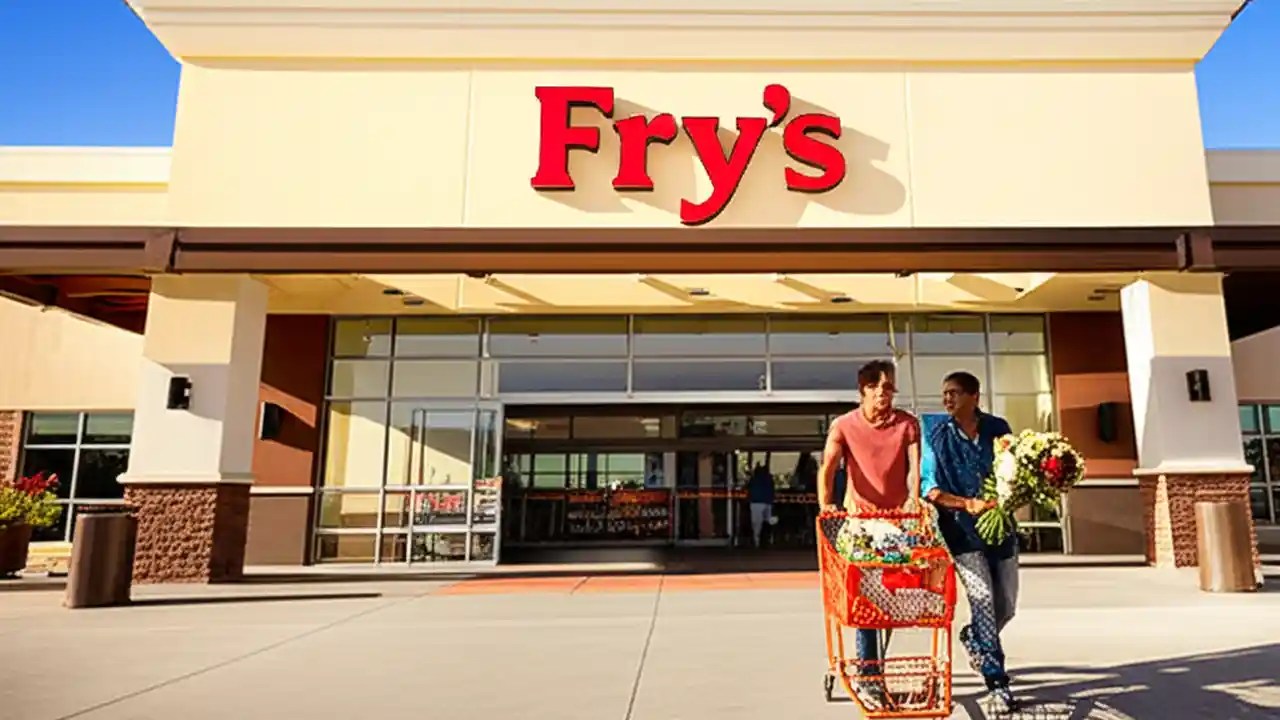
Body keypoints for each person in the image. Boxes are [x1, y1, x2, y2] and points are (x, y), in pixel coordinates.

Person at [818, 359, 922, 697]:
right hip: (860, 522)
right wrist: (826, 504)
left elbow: (914, 469)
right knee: (866, 601)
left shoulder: (907, 424)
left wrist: (914, 500)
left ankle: (873, 664)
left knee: (889, 602)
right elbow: (829, 466)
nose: (884, 394)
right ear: (863, 390)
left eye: (889, 387)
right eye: (877, 388)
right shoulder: (844, 426)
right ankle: (868, 676)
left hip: (898, 523)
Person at [921, 371, 1021, 713]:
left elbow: (1014, 472)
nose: (947, 399)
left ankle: (973, 636)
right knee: (982, 602)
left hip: (1001, 531)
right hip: (962, 534)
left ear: (975, 396)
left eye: (955, 393)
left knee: (1005, 605)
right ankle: (997, 683)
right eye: (944, 393)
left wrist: (1010, 496)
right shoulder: (936, 436)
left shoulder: (998, 429)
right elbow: (929, 488)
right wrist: (967, 504)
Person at [747, 460, 775, 548]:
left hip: (756, 502)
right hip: (767, 502)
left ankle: (757, 542)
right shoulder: (769, 479)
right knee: (768, 521)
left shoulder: (754, 479)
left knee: (757, 524)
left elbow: (749, 489)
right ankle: (769, 539)